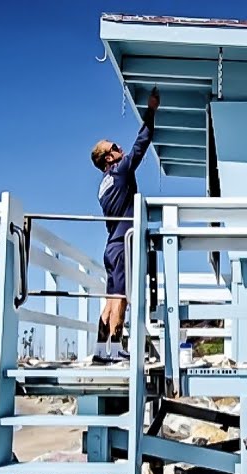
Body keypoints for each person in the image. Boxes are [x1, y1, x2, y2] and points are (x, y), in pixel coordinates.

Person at [89, 86, 161, 362]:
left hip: (111, 246)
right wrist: (151, 111)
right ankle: (117, 349)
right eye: (114, 147)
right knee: (121, 296)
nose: (119, 147)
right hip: (122, 246)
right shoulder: (118, 171)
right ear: (109, 158)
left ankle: (99, 351)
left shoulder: (102, 186)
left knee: (110, 299)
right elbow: (141, 145)